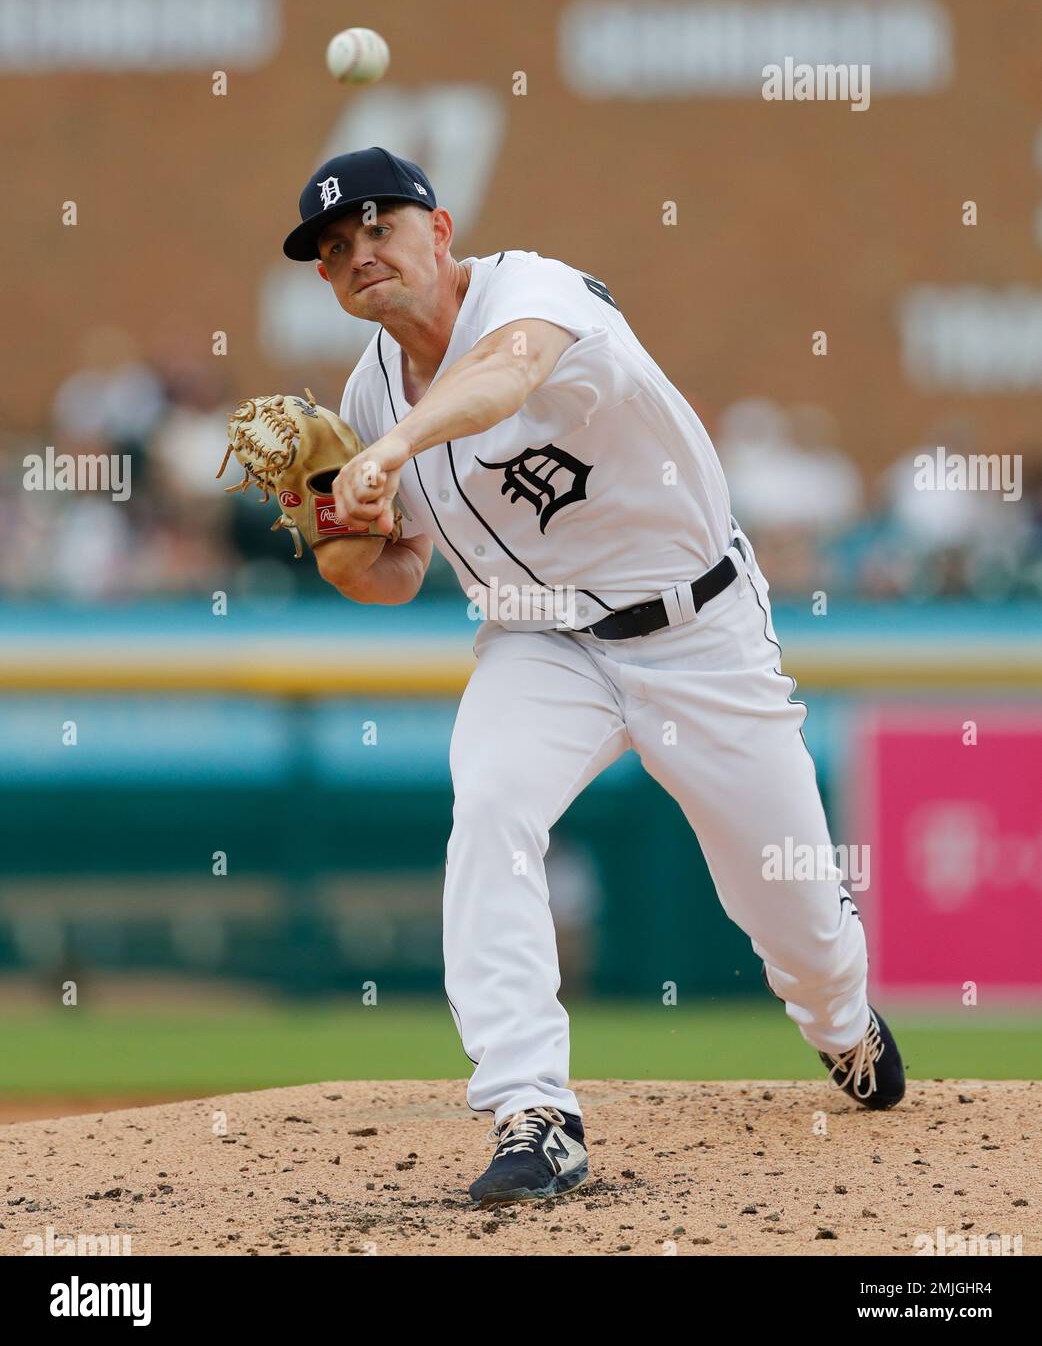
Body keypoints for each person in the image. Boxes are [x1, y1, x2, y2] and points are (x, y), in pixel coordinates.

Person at [281, 147, 905, 1209]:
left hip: (697, 631)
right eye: (336, 250)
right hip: (540, 645)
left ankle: (841, 1019)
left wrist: (389, 451)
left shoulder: (536, 290)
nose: (359, 253)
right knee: (489, 804)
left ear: (439, 231)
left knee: (792, 917)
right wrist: (336, 539)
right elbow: (398, 571)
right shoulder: (370, 389)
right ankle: (532, 1107)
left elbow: (507, 376)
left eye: (378, 227)